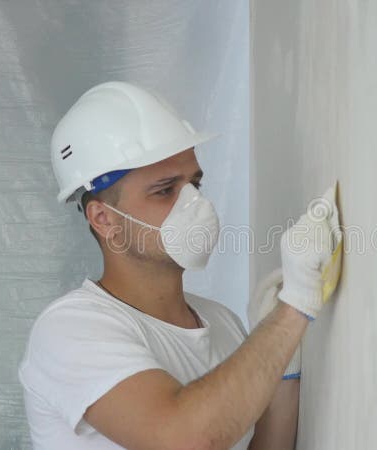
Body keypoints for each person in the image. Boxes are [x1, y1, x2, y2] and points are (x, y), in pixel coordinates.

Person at [18, 82, 339, 450]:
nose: (194, 204)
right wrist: (292, 311)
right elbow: (183, 439)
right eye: (165, 190)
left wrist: (284, 368)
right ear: (104, 219)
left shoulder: (222, 324)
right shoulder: (71, 331)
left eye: (194, 185)